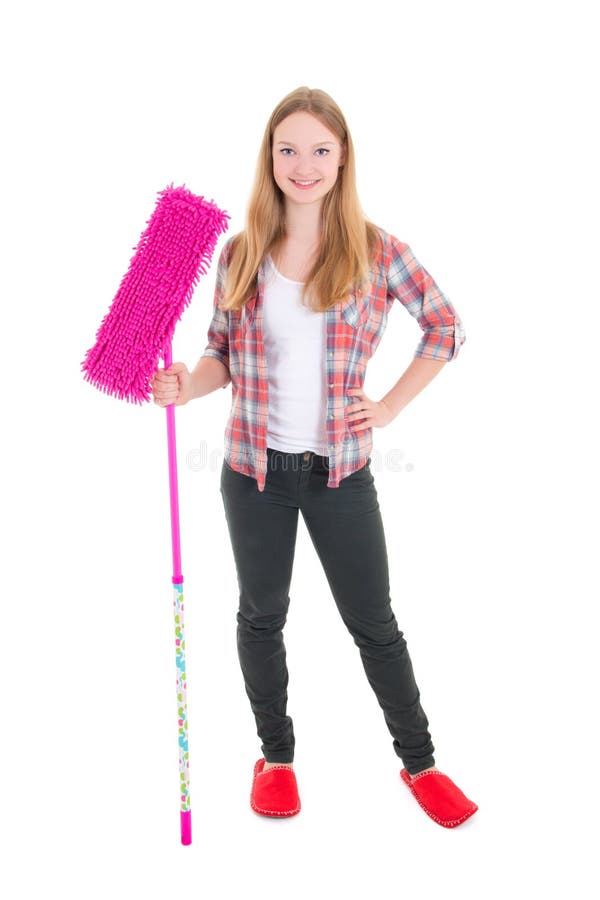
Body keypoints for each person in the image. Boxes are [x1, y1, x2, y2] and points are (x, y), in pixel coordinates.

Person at [150, 86, 478, 828]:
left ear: (342, 158)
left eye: (319, 150)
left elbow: (446, 329)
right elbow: (219, 358)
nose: (304, 165)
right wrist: (185, 387)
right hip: (252, 472)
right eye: (288, 149)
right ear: (271, 158)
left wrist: (389, 406)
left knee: (375, 623)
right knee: (261, 616)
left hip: (340, 473)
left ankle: (421, 764)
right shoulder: (240, 253)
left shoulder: (378, 250)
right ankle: (276, 757)